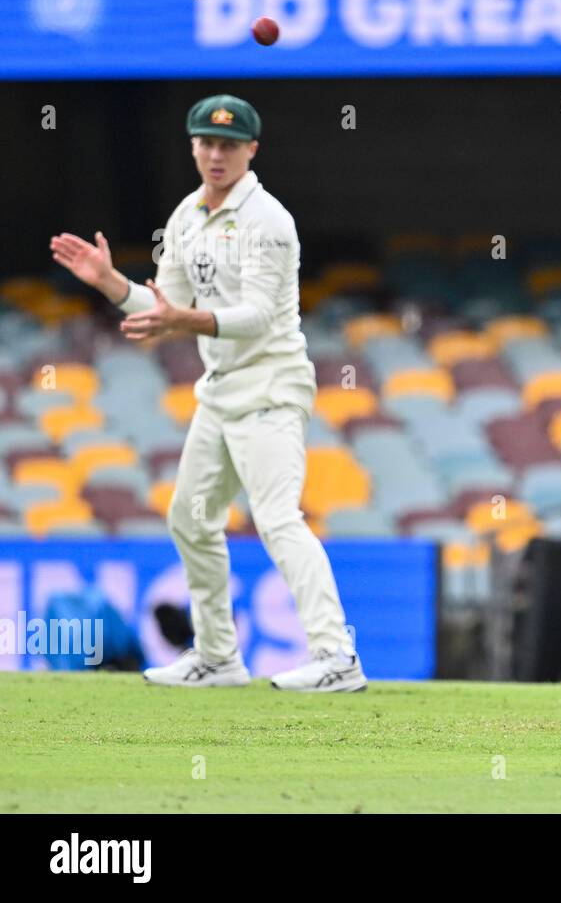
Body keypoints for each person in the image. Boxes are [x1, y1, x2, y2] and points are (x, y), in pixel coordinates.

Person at [49, 94, 365, 692]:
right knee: (190, 519)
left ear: (251, 149)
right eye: (206, 143)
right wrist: (112, 283)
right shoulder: (187, 216)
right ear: (193, 147)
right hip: (220, 391)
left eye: (228, 144)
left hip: (271, 386)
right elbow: (164, 306)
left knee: (277, 520)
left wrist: (182, 322)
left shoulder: (268, 220)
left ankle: (336, 656)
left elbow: (256, 315)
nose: (216, 154)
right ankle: (218, 657)